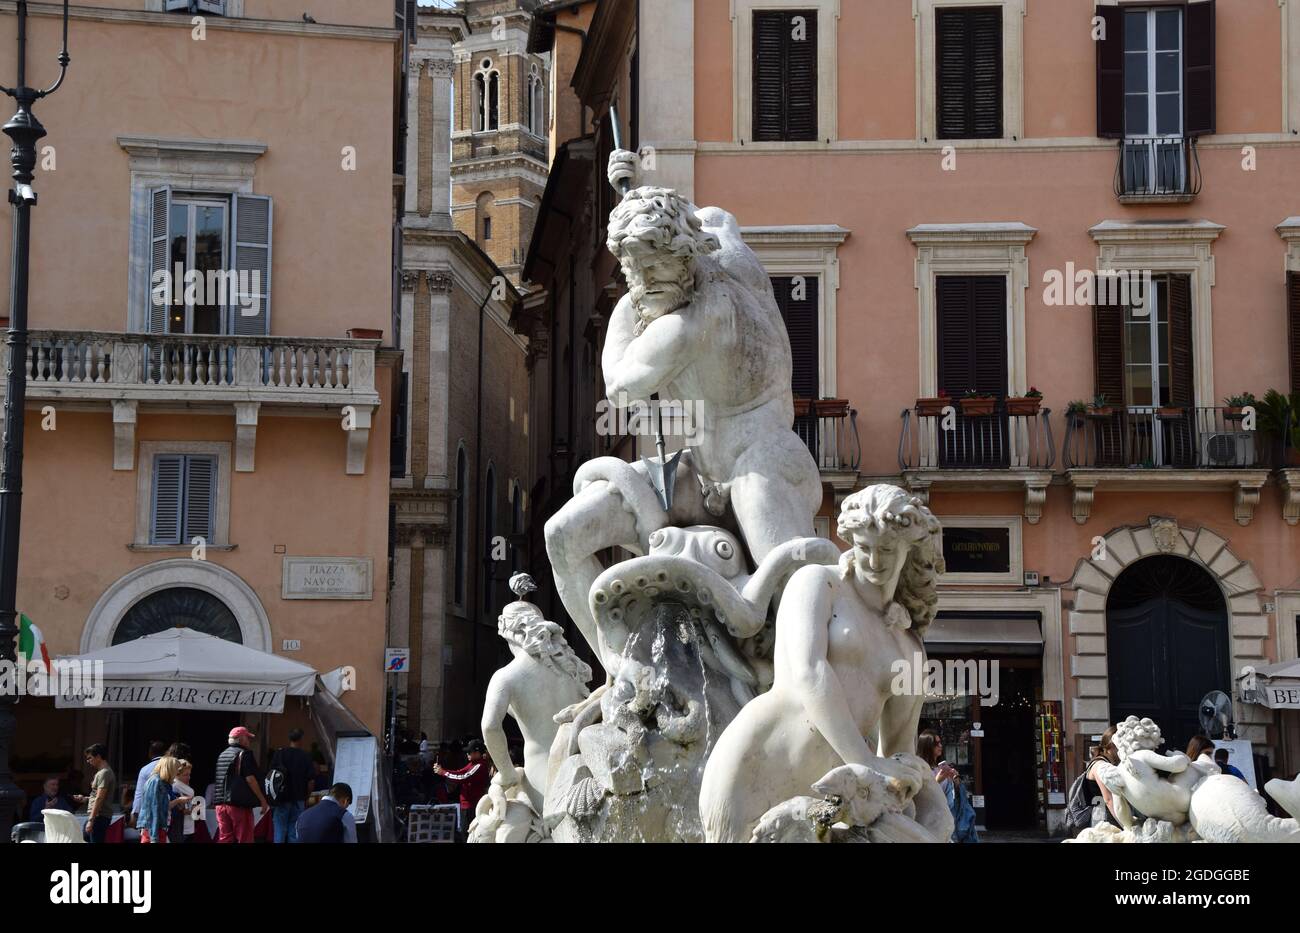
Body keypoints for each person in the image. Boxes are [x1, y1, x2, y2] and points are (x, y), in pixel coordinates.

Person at [918, 730, 979, 843]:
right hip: (930, 820)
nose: (940, 746)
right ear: (927, 746)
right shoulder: (921, 768)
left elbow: (949, 794)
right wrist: (938, 780)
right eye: (936, 744)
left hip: (947, 816)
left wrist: (954, 780)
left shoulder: (938, 768)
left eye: (940, 742)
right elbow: (922, 795)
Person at [213, 725, 270, 843]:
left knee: (225, 839)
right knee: (245, 838)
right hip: (238, 804)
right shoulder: (245, 754)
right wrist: (262, 799)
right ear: (241, 739)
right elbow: (250, 779)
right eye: (247, 738)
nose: (249, 741)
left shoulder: (222, 754)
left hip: (220, 804)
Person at [434, 739, 491, 837]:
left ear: (477, 753)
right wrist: (442, 770)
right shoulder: (473, 763)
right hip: (466, 804)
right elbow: (460, 772)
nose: (467, 754)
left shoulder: (479, 765)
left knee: (468, 834)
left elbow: (463, 777)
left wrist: (443, 772)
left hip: (472, 805)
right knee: (464, 832)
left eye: (470, 752)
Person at [269, 728, 315, 844]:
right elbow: (311, 782)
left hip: (281, 798)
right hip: (298, 798)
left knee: (279, 829)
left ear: (289, 739)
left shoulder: (279, 753)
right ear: (301, 740)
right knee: (294, 831)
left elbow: (271, 776)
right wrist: (306, 796)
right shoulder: (306, 756)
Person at [138, 756, 191, 844]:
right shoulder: (156, 782)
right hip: (154, 829)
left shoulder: (162, 782)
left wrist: (178, 801)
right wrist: (154, 837)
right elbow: (154, 810)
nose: (176, 773)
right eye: (175, 770)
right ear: (169, 769)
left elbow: (163, 806)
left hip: (159, 828)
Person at [73, 744, 116, 843]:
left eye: (90, 758)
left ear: (98, 757)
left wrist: (91, 820)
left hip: (99, 816)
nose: (88, 761)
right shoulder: (102, 772)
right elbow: (97, 796)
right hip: (97, 816)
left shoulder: (104, 773)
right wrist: (84, 799)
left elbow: (100, 798)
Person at [1085, 726, 1124, 827]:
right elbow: (1109, 799)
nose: (1123, 750)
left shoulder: (1102, 762)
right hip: (1105, 819)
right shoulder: (1101, 765)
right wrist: (1126, 826)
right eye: (1120, 746)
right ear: (1109, 747)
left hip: (1104, 816)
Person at [129, 739, 167, 829]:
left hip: (149, 814)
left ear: (150, 753)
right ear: (166, 753)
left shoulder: (145, 770)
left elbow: (139, 794)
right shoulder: (171, 767)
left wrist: (134, 815)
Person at [171, 759, 199, 843]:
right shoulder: (175, 787)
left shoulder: (186, 787)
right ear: (176, 775)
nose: (189, 777)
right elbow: (177, 809)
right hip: (179, 828)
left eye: (189, 774)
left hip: (188, 826)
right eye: (185, 775)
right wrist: (189, 810)